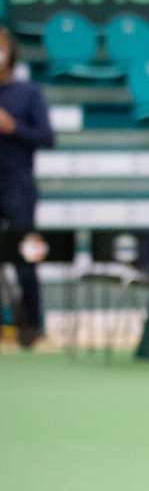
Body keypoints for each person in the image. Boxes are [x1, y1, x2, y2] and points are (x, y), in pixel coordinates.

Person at [0, 26, 54, 348]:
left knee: (25, 258)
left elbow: (47, 137)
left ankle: (32, 327)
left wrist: (13, 127)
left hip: (18, 187)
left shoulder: (28, 93)